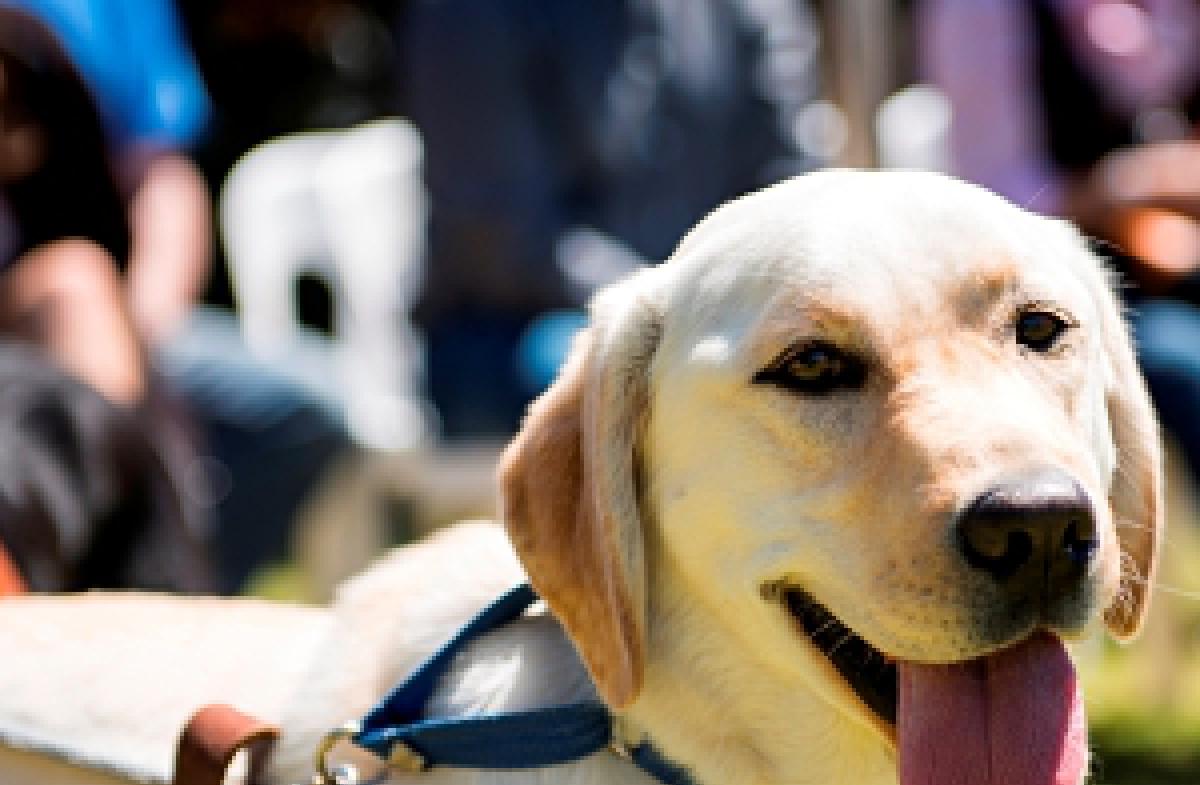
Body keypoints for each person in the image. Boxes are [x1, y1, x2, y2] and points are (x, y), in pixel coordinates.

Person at [0, 0, 353, 592]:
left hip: (122, 329)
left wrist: (136, 321)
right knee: (72, 289)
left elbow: (163, 178)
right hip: (35, 333)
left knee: (307, 410)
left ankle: (180, 591)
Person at [403, 0, 825, 437]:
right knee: (598, 381)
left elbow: (793, 192)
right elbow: (497, 235)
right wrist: (678, 309)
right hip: (522, 325)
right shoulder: (471, 12)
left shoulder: (748, 9)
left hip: (714, 324)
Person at [918, 0, 1200, 485]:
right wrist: (1121, 191)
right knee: (1182, 362)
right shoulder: (982, 12)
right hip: (1079, 293)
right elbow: (994, 196)